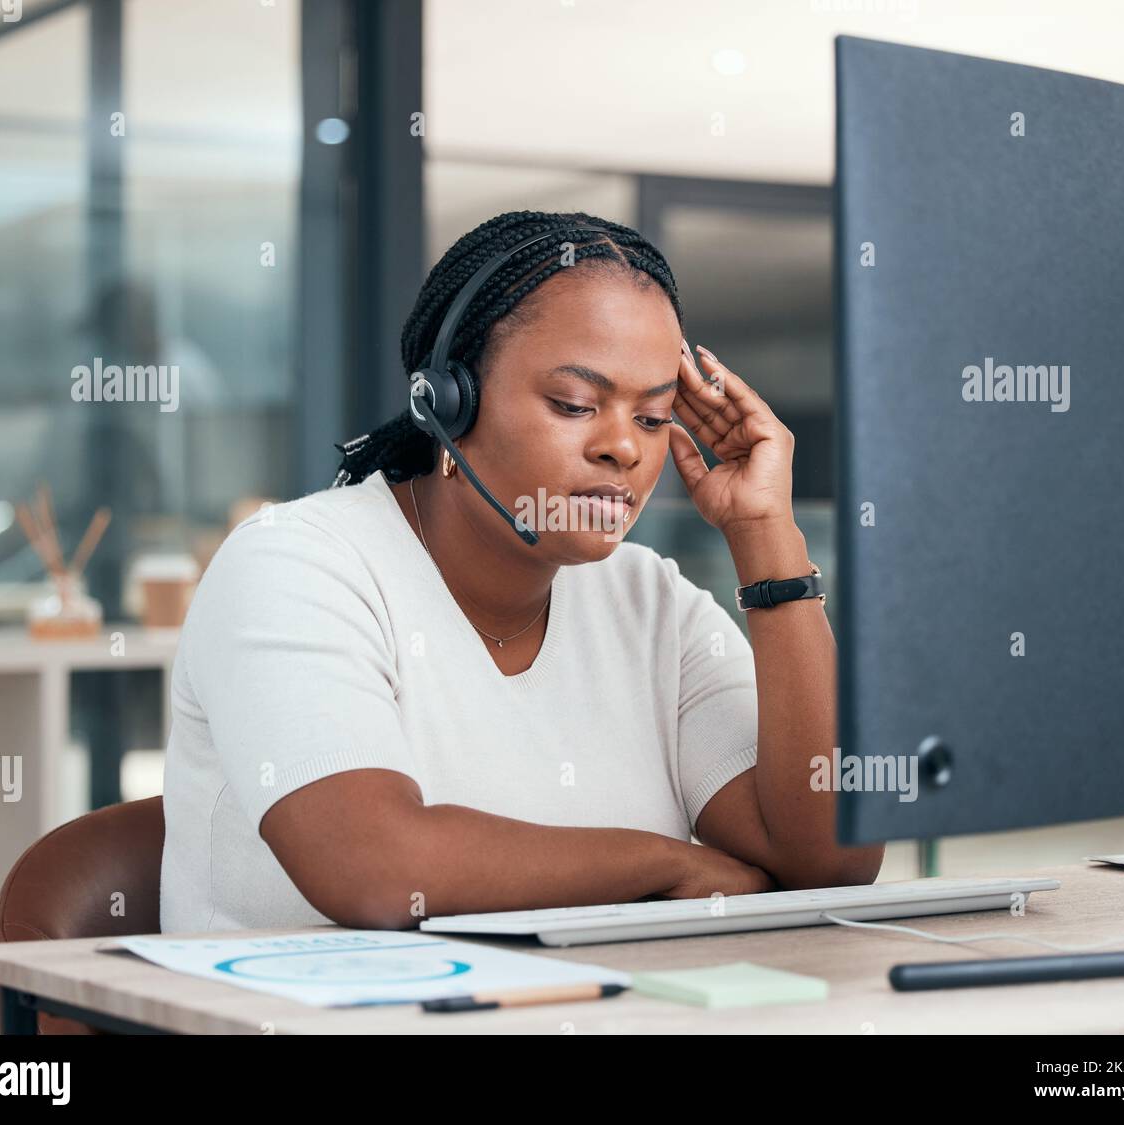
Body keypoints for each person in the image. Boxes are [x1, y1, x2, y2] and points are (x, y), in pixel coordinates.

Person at [159, 209, 884, 933]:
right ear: (448, 401)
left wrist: (767, 536)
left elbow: (830, 860)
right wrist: (667, 863)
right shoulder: (293, 563)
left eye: (654, 417)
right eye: (575, 404)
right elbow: (375, 870)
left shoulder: (651, 601)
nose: (623, 449)